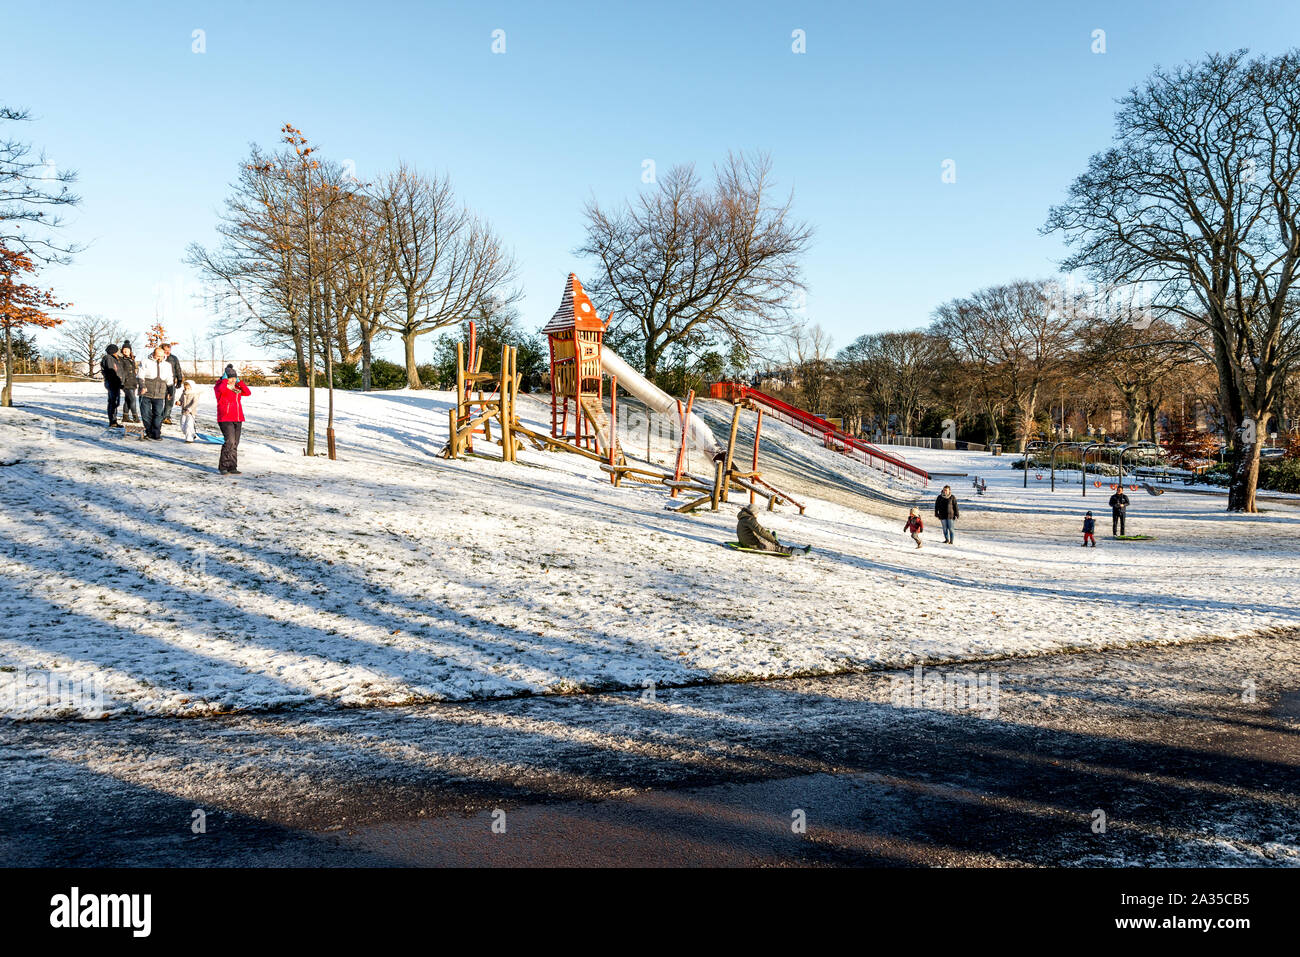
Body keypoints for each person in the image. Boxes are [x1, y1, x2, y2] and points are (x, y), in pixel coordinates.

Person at [215, 364, 251, 474]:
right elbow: (221, 389)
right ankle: (223, 466)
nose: (233, 380)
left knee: (235, 443)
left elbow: (247, 392)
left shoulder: (236, 388)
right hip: (225, 418)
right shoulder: (220, 386)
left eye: (234, 378)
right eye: (230, 378)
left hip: (238, 417)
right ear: (226, 377)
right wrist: (225, 380)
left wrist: (240, 382)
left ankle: (232, 466)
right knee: (229, 442)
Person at [736, 504, 809, 555]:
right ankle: (799, 551)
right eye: (757, 513)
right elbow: (761, 532)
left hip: (745, 542)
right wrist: (774, 541)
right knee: (778, 548)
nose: (757, 515)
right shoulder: (750, 519)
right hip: (753, 544)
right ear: (753, 512)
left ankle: (770, 538)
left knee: (766, 535)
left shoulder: (743, 518)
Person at [136, 345, 172, 440]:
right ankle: (149, 432)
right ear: (153, 354)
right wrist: (142, 386)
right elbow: (140, 376)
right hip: (146, 393)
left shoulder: (167, 365)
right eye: (157, 356)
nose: (159, 358)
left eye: (161, 356)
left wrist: (170, 392)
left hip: (160, 394)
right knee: (146, 414)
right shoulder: (145, 362)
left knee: (158, 415)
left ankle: (156, 433)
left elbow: (169, 380)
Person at [117, 341, 140, 423]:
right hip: (126, 383)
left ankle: (125, 417)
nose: (125, 351)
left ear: (130, 350)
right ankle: (135, 417)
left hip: (133, 382)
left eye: (127, 349)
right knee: (132, 400)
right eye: (124, 349)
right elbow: (120, 372)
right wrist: (122, 381)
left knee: (128, 400)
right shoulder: (121, 360)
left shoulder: (132, 359)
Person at [100, 343, 122, 426]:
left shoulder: (111, 359)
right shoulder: (109, 359)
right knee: (113, 401)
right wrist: (117, 381)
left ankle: (113, 420)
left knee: (114, 401)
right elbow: (111, 371)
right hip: (113, 382)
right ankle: (113, 421)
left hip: (114, 382)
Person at [161, 343, 183, 425]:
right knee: (159, 400)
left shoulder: (174, 358)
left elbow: (178, 369)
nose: (167, 352)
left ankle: (166, 417)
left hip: (171, 382)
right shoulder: (159, 358)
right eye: (165, 350)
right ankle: (158, 416)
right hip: (161, 382)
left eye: (169, 350)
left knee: (170, 400)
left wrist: (179, 380)